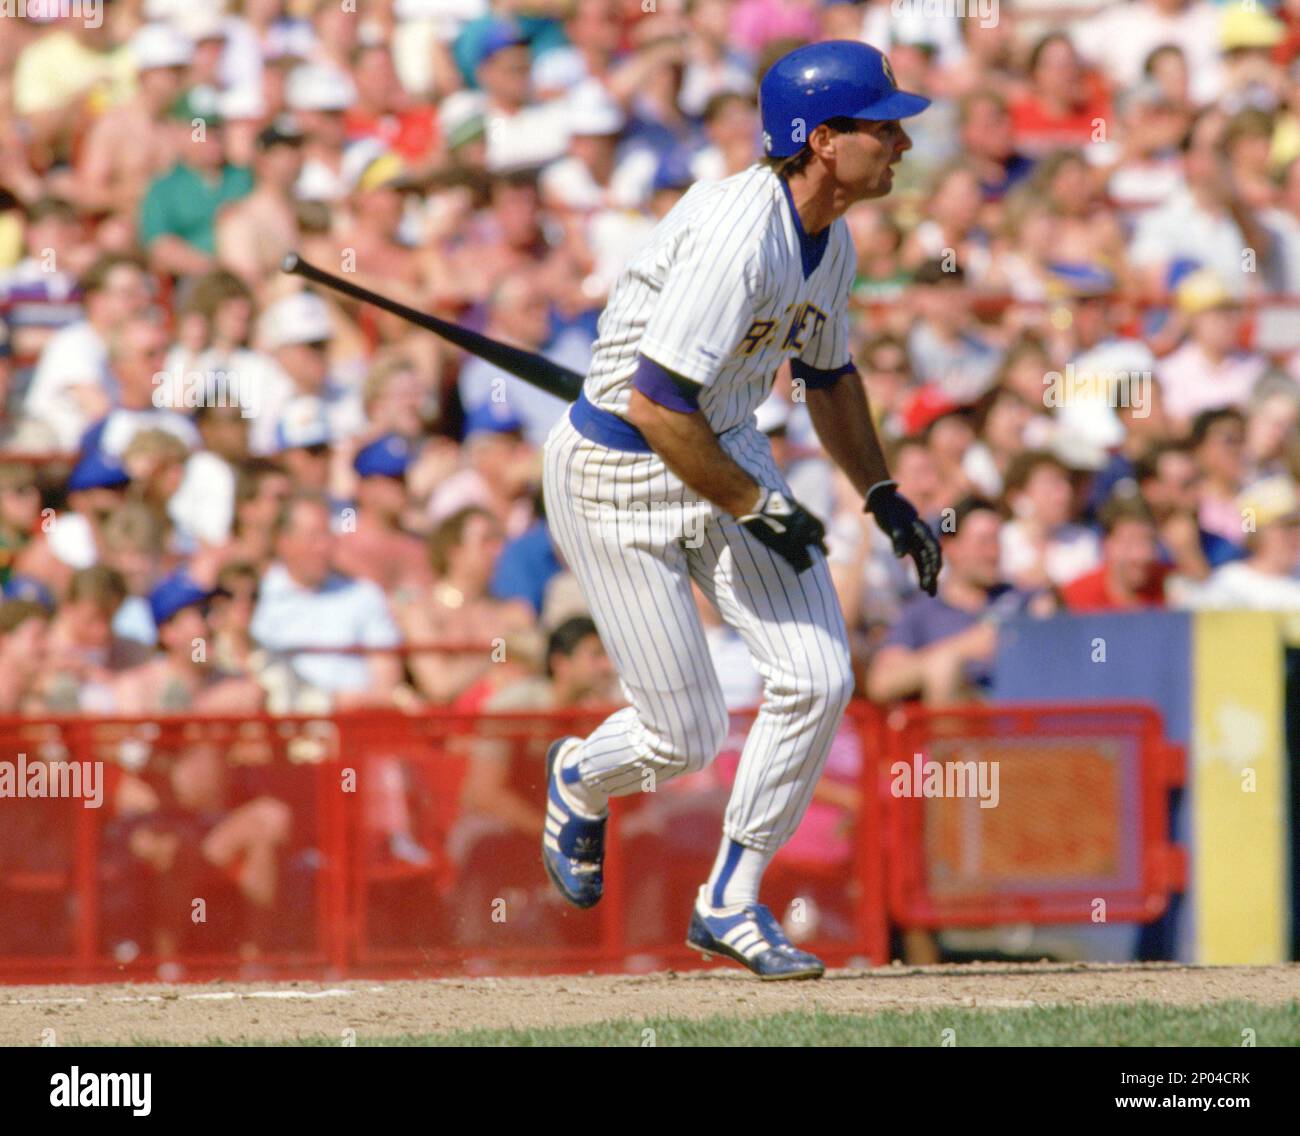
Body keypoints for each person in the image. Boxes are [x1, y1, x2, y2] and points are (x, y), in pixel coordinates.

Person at [537, 42, 941, 980]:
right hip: (619, 476)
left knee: (820, 676)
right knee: (683, 738)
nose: (904, 141)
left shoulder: (829, 235)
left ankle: (729, 899)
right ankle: (578, 777)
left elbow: (829, 377)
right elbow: (652, 405)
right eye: (884, 126)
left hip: (719, 444)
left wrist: (882, 497)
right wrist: (757, 503)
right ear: (824, 139)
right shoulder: (739, 232)